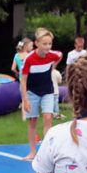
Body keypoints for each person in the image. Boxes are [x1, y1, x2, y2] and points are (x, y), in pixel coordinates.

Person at [20, 28, 62, 160]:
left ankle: (46, 152)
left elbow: (59, 55)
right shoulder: (29, 59)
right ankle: (33, 152)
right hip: (32, 92)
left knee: (48, 117)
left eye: (50, 44)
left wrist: (52, 67)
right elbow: (24, 80)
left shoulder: (52, 55)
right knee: (33, 121)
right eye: (44, 44)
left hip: (47, 91)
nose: (48, 47)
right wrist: (25, 99)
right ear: (37, 43)